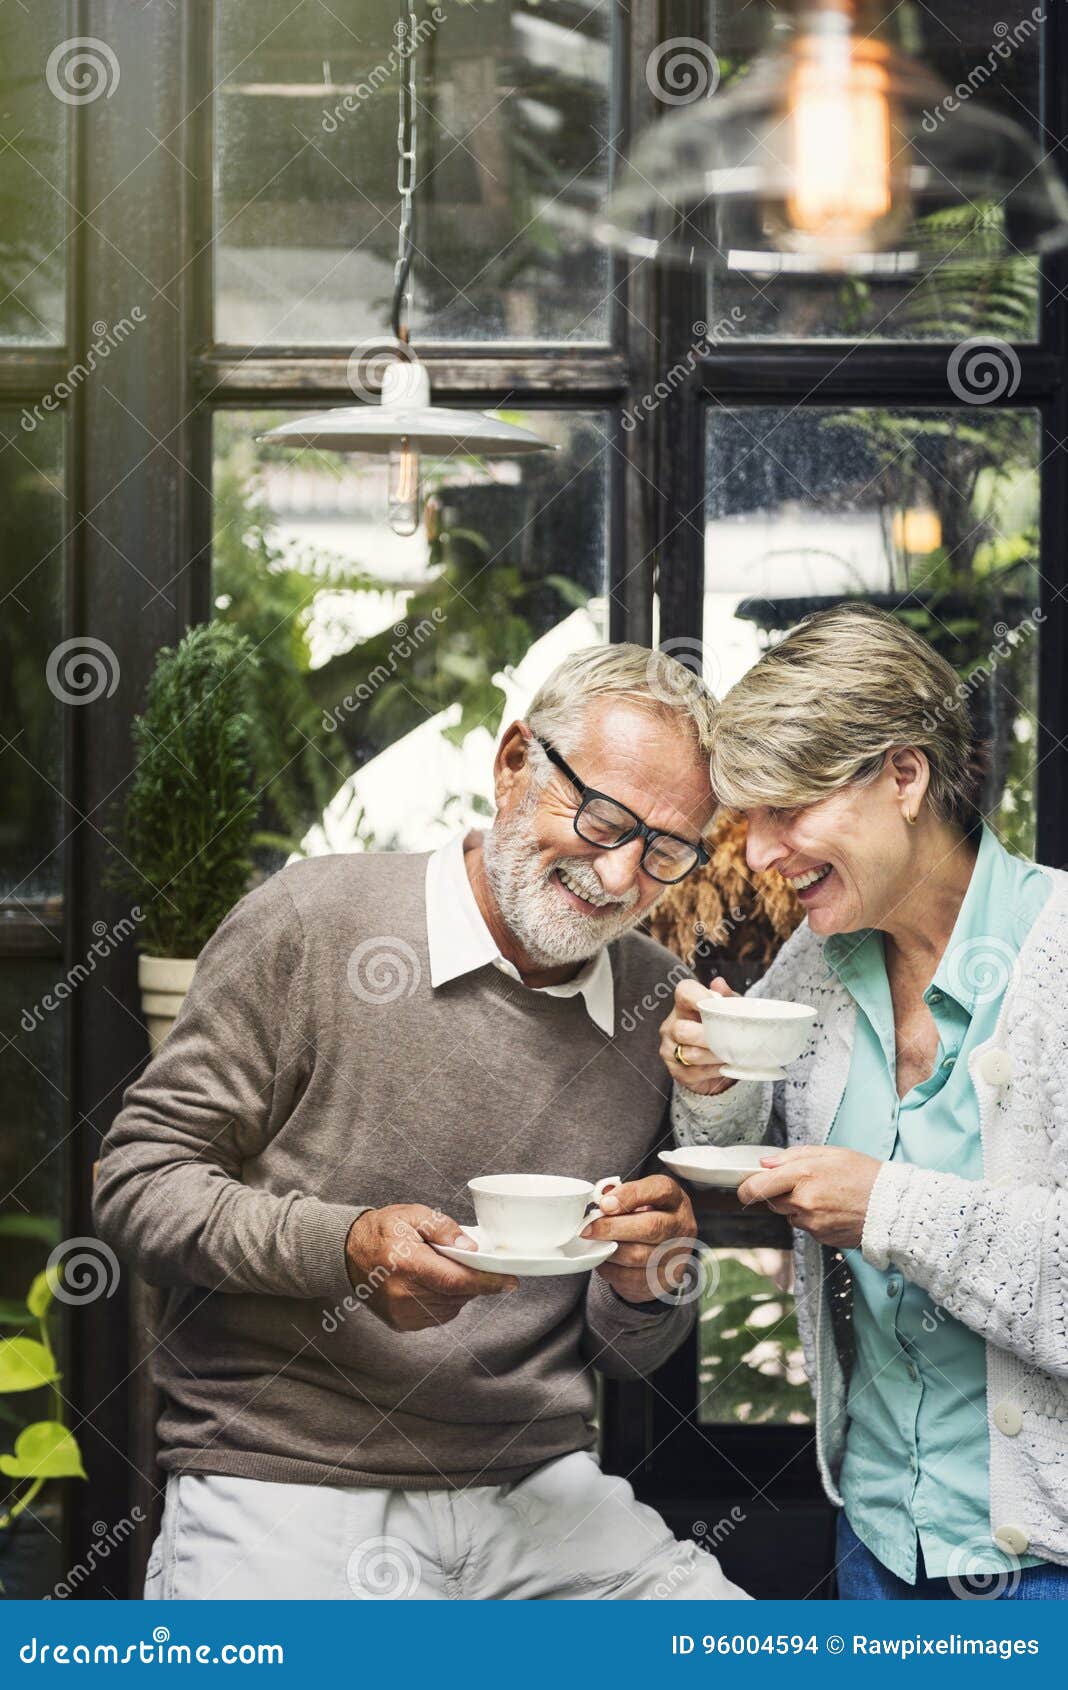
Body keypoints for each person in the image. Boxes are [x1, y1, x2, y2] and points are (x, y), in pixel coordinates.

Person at [94, 643, 749, 1601]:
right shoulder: (311, 920)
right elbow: (136, 1186)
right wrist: (347, 1248)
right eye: (602, 818)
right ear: (514, 761)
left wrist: (651, 1278)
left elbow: (624, 1352)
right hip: (284, 1476)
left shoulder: (657, 1002)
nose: (617, 876)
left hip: (538, 1488)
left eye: (664, 851)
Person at [666, 603, 1068, 1600]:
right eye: (745, 815)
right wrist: (713, 1085)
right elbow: (751, 1146)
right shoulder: (815, 962)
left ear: (904, 775)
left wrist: (887, 1207)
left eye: (785, 810)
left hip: (1044, 1559)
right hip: (880, 1534)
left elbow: (872, 1201)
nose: (756, 853)